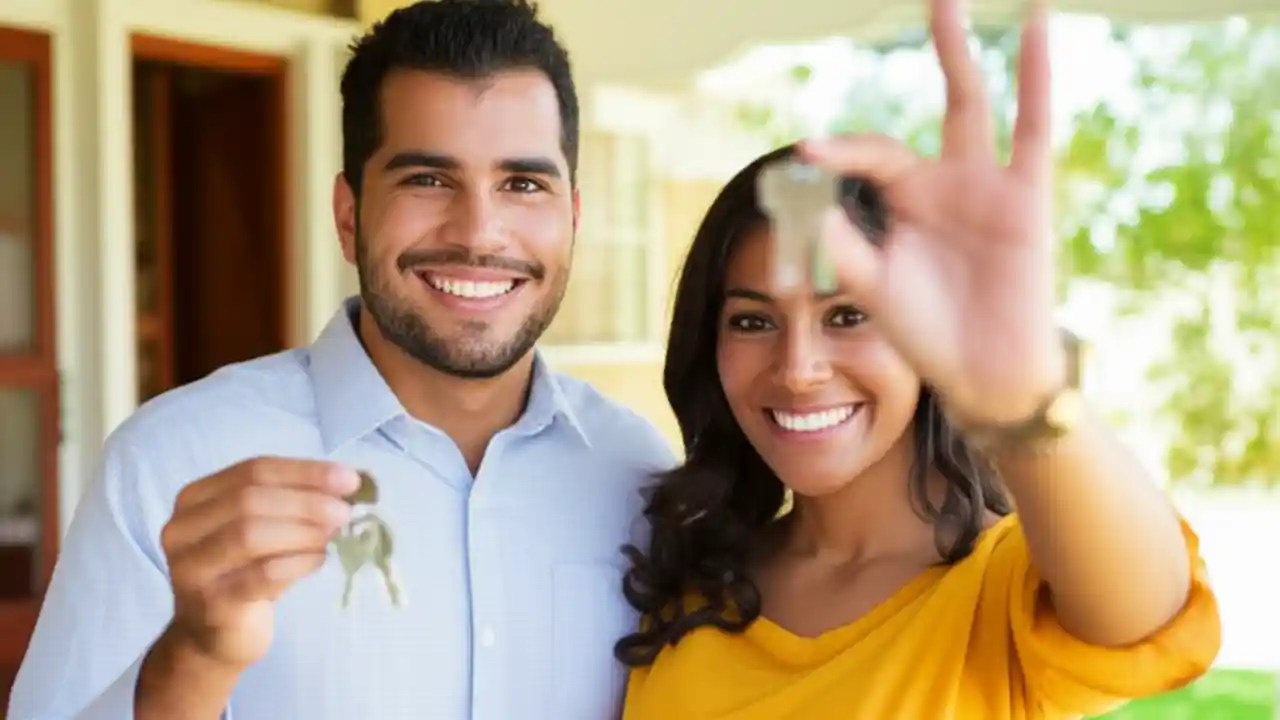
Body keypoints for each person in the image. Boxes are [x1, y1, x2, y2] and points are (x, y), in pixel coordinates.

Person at [9, 1, 674, 718]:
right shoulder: (170, 464)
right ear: (349, 214)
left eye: (522, 184)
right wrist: (193, 656)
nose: (480, 232)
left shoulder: (642, 477)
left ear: (572, 216)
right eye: (427, 179)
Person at [615, 2, 1221, 718]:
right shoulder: (688, 588)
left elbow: (1150, 611)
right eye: (752, 320)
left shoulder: (1005, 586)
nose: (799, 368)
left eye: (848, 315)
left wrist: (1024, 402)